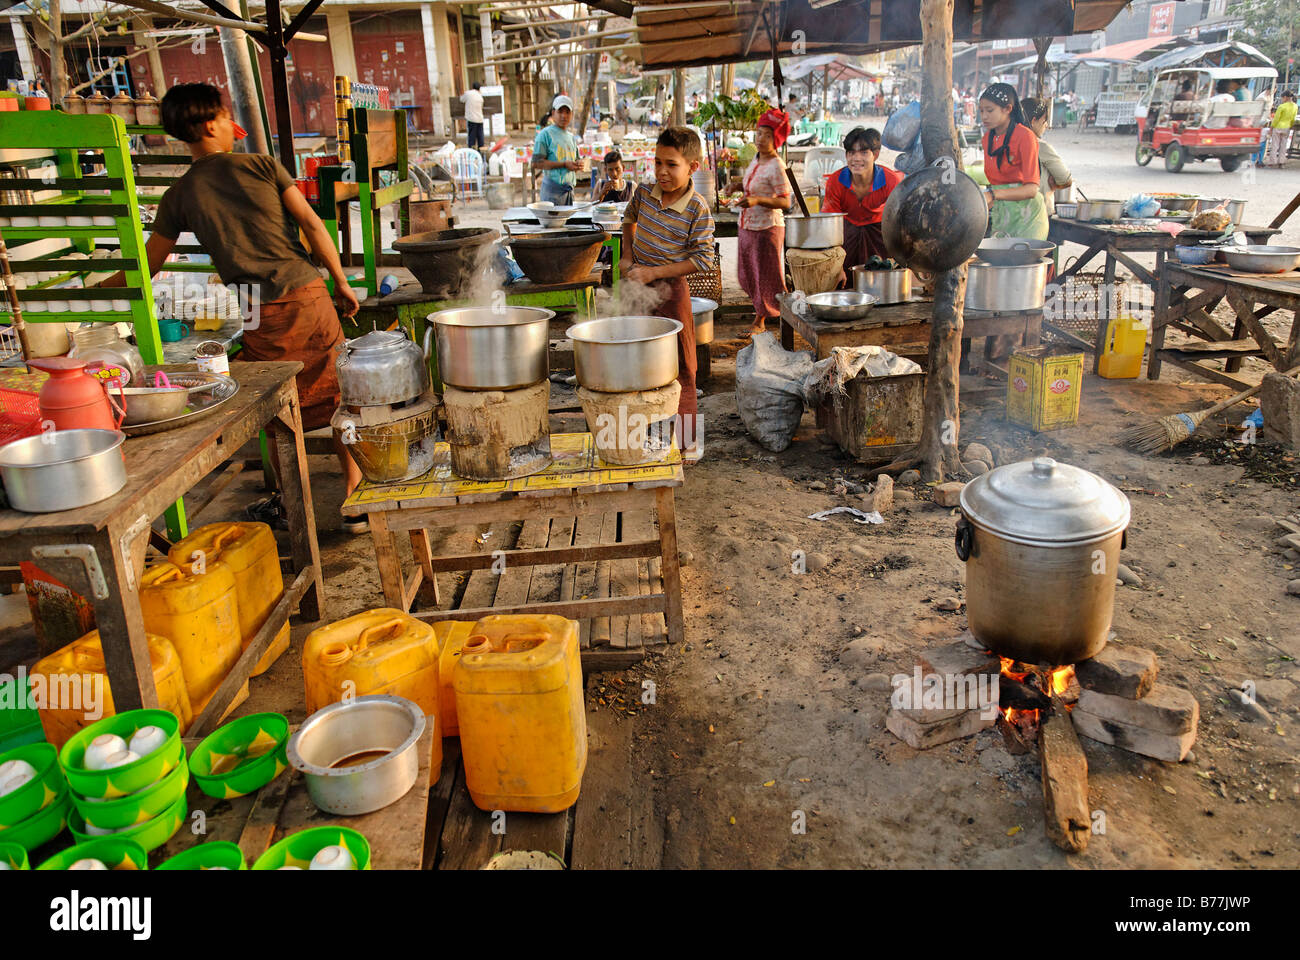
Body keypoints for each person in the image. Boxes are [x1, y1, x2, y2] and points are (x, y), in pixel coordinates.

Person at [100, 84, 363, 530]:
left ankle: (288, 506)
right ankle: (355, 502)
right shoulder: (262, 166)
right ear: (208, 124)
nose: (230, 126)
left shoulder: (179, 194)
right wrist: (340, 281)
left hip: (260, 313)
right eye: (225, 118)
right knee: (342, 399)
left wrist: (93, 293)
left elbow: (146, 264)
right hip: (307, 295)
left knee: (276, 409)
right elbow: (313, 224)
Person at [620, 127, 715, 460]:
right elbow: (628, 220)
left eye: (671, 165)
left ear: (693, 166)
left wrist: (654, 272)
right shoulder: (644, 193)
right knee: (636, 366)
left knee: (682, 368)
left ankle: (688, 442)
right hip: (636, 291)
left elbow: (702, 260)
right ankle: (641, 438)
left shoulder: (697, 209)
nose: (662, 171)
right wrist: (628, 257)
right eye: (658, 162)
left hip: (672, 294)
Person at [729, 108, 792, 336]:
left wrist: (757, 200)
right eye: (759, 133)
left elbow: (785, 202)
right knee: (748, 273)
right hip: (747, 225)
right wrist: (736, 187)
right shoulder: (756, 159)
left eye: (767, 135)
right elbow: (751, 185)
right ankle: (763, 314)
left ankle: (763, 320)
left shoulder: (777, 165)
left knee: (767, 276)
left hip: (767, 228)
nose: (761, 139)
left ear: (776, 139)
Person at [820, 126, 904, 271]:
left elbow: (901, 220)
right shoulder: (835, 181)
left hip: (879, 233)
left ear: (875, 155)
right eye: (851, 153)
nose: (857, 159)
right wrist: (836, 266)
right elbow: (829, 225)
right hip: (845, 234)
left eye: (864, 153)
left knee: (881, 274)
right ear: (846, 156)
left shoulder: (890, 180)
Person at [978, 82, 1047, 242]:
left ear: (1008, 109)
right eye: (981, 111)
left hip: (1028, 217)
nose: (984, 116)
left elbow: (1031, 190)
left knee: (1022, 263)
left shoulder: (1025, 137)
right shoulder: (987, 139)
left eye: (990, 110)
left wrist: (993, 194)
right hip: (1003, 214)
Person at [1020, 97, 1071, 217]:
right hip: (1037, 215)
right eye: (1044, 121)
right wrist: (1055, 185)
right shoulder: (1040, 147)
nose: (1046, 125)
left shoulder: (1006, 143)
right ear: (1033, 121)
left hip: (1012, 214)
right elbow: (1066, 179)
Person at [532, 94, 580, 205]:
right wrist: (563, 164)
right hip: (551, 192)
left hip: (568, 191)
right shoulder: (545, 135)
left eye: (567, 112)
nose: (564, 116)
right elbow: (536, 163)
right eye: (560, 112)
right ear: (553, 113)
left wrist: (578, 164)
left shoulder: (571, 137)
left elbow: (575, 159)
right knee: (552, 221)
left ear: (572, 115)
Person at [1265, 90, 1297, 167]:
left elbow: (1276, 119)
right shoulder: (1295, 106)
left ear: (1285, 97)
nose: (1282, 99)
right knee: (1284, 145)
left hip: (1278, 127)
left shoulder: (1282, 106)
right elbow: (1293, 118)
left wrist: (1271, 128)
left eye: (1282, 98)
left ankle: (1272, 162)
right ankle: (1281, 162)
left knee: (1275, 145)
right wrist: (1291, 125)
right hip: (1287, 127)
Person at [461, 81, 485, 152]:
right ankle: (481, 151)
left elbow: (461, 99)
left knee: (472, 137)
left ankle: (471, 151)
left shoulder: (468, 93)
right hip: (480, 119)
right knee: (480, 137)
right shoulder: (480, 96)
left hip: (471, 119)